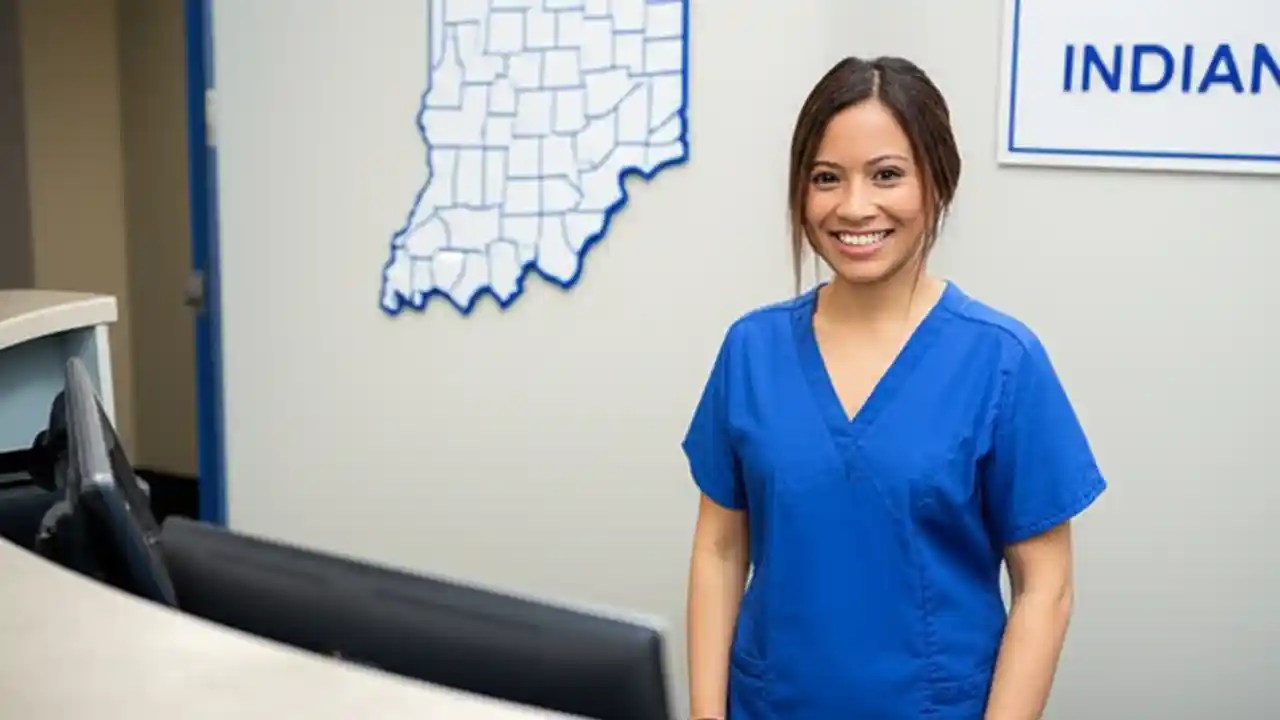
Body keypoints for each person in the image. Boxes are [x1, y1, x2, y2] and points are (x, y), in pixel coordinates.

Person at [682, 56, 1106, 719]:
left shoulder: (1002, 361)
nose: (854, 206)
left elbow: (1044, 588)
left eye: (886, 175)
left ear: (937, 182)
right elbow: (718, 548)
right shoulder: (751, 350)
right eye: (826, 178)